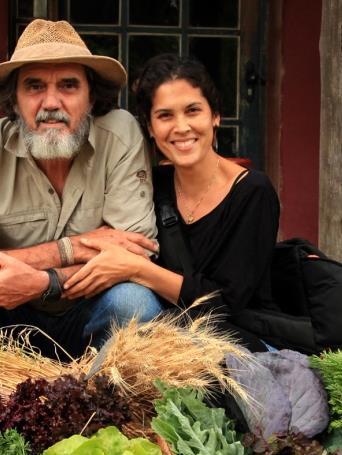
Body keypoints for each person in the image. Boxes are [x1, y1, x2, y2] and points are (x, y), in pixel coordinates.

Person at [0, 19, 163, 358]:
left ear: (91, 97)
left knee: (133, 301)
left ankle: (107, 403)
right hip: (1, 322)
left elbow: (135, 255)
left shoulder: (121, 135)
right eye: (34, 86)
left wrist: (44, 282)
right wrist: (69, 250)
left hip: (88, 314)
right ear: (14, 100)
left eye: (68, 86)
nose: (51, 102)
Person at [62, 53, 281, 351]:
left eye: (193, 111)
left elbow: (225, 306)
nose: (181, 127)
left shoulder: (253, 191)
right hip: (165, 341)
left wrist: (136, 269)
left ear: (215, 115)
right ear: (150, 128)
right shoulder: (152, 184)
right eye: (165, 116)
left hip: (235, 343)